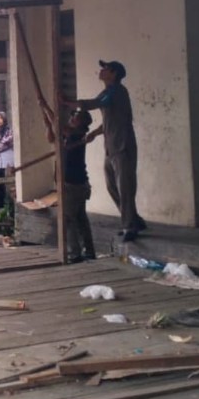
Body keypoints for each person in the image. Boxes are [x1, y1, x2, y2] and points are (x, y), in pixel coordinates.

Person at [70, 60, 146, 241]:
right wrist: (95, 133)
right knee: (112, 186)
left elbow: (95, 103)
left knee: (125, 187)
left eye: (105, 69)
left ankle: (129, 226)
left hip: (122, 146)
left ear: (114, 74)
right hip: (111, 147)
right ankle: (133, 219)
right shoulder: (108, 92)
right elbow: (109, 122)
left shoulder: (117, 92)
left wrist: (68, 103)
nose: (101, 71)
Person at [62, 108, 96, 263]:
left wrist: (44, 107)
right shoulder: (76, 135)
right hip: (80, 182)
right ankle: (89, 251)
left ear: (80, 122)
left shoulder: (76, 135)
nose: (71, 118)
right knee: (81, 218)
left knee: (68, 219)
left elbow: (58, 125)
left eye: (74, 117)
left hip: (73, 183)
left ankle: (74, 253)